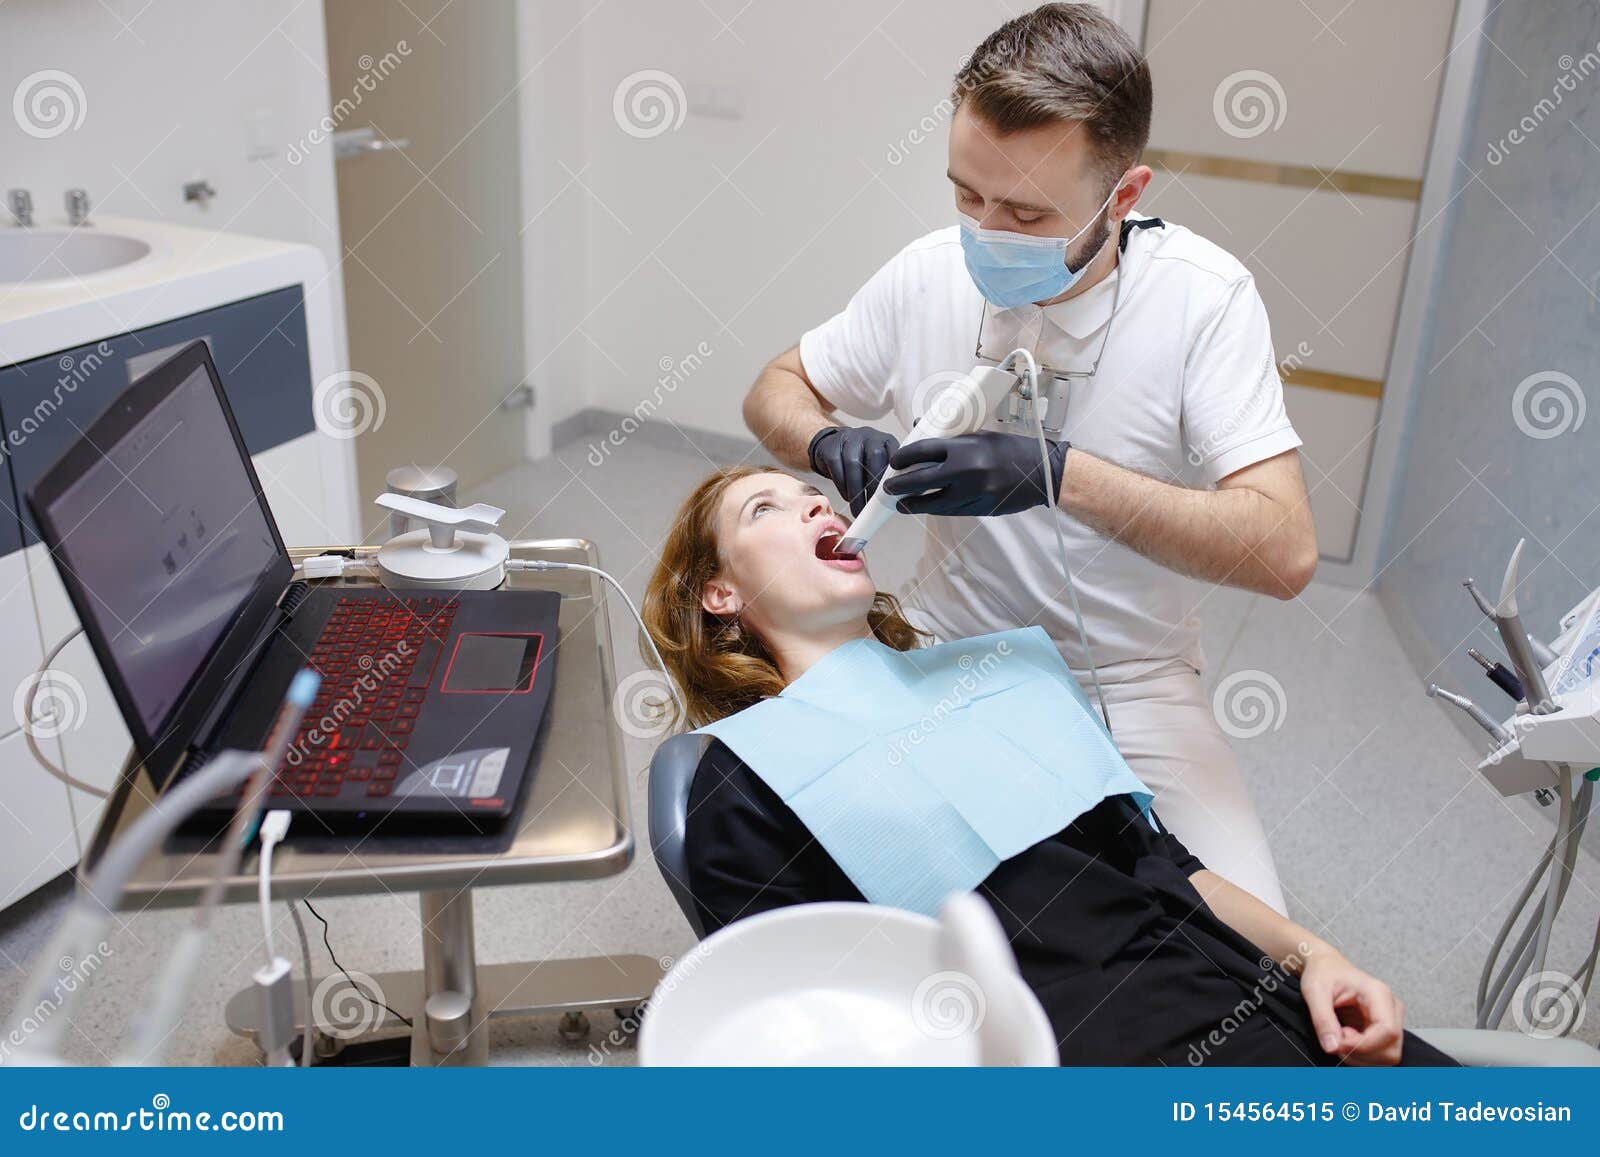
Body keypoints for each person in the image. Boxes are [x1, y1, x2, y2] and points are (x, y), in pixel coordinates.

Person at [741, 3, 1313, 916]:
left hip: (1131, 680)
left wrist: (1058, 475)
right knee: (872, 918)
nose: (985, 231)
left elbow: (1282, 551)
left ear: (1124, 196)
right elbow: (774, 386)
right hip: (943, 648)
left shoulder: (1204, 302)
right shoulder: (928, 271)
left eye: (1026, 211)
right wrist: (821, 438)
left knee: (1251, 954)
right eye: (968, 195)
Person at [640, 467, 1454, 1067]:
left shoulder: (1008, 678)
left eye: (814, 490)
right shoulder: (747, 786)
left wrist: (1319, 958)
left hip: (1246, 993)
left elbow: (1170, 864)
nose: (817, 502)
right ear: (720, 594)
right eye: (765, 508)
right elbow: (806, 1032)